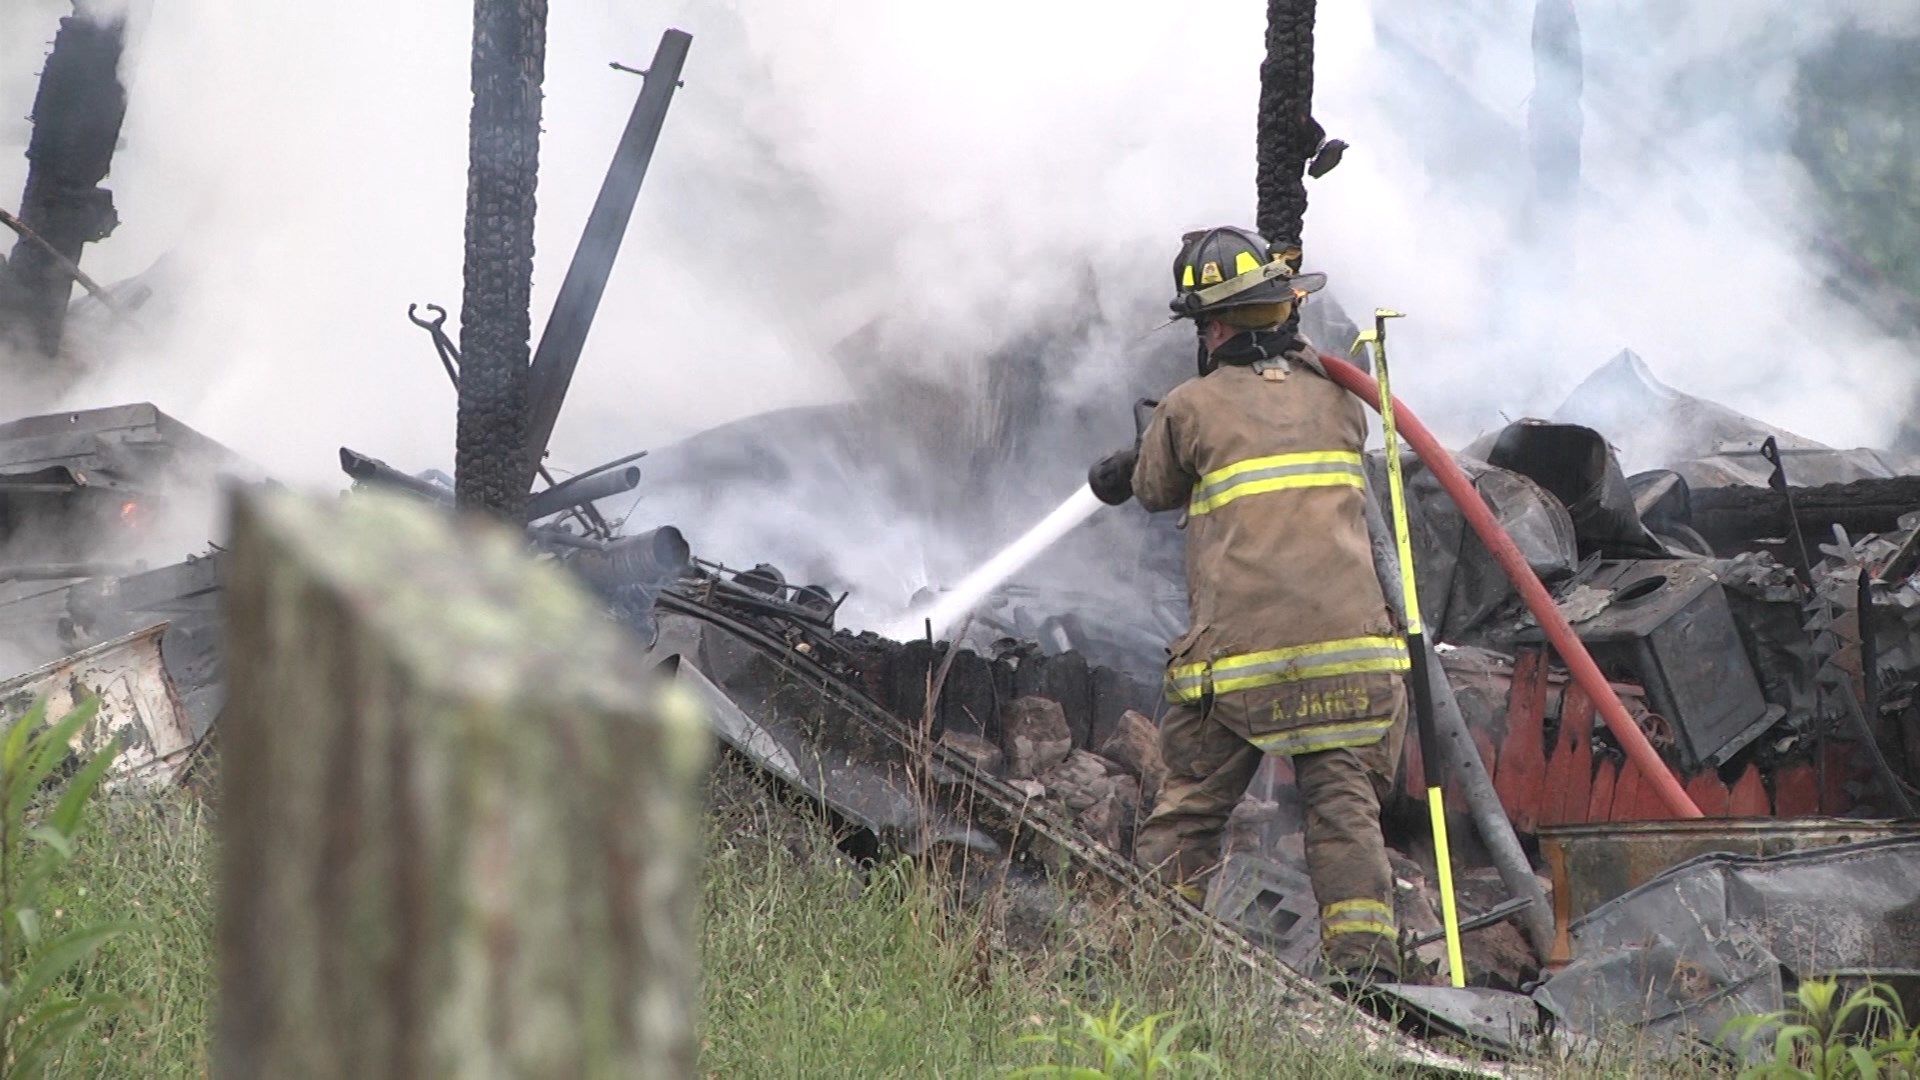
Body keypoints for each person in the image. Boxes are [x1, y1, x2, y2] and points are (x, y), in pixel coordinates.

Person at [1087, 226, 1410, 982]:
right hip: (1354, 660)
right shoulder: (1342, 400)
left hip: (1241, 667)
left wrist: (1133, 456)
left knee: (1191, 810)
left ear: (1217, 326)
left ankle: (1147, 972)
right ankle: (1368, 978)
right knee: (1343, 811)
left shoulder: (1187, 407)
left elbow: (1156, 488)